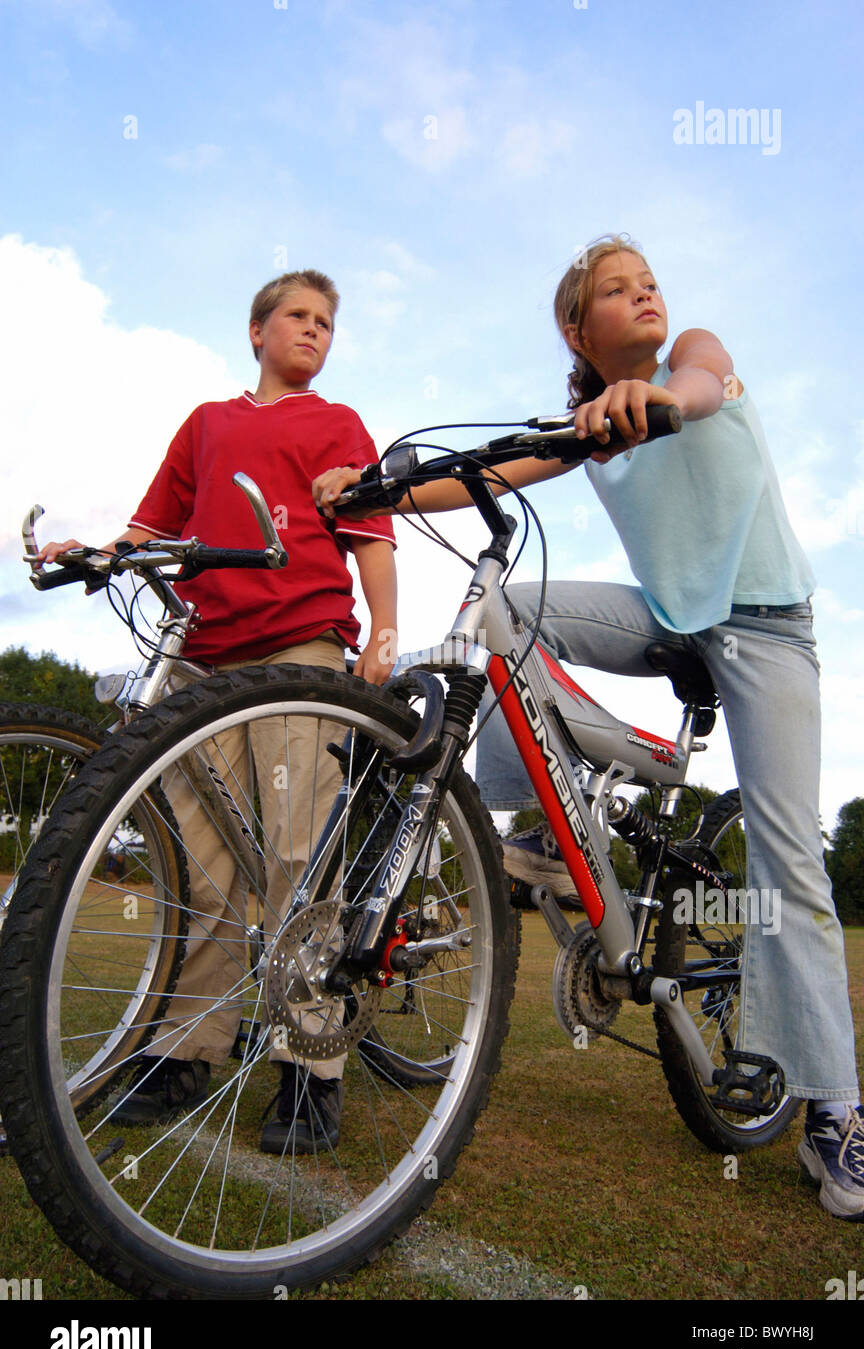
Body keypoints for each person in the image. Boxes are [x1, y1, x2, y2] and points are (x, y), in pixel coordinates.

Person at [313, 235, 864, 1220]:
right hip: (669, 618)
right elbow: (491, 471)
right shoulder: (586, 426)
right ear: (578, 327)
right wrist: (374, 489)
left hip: (766, 627)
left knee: (789, 861)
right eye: (618, 288)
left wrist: (653, 401)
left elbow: (697, 384)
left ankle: (838, 1109)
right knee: (505, 611)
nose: (646, 293)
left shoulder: (687, 357)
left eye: (649, 281)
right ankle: (541, 833)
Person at [36, 269, 397, 1153]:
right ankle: (184, 1050)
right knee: (201, 869)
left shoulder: (337, 424)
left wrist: (385, 627)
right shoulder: (206, 423)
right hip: (205, 661)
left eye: (326, 322)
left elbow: (371, 529)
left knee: (292, 856)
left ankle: (309, 1068)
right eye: (298, 317)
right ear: (256, 330)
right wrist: (97, 549)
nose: (315, 331)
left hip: (299, 654)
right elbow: (155, 526)